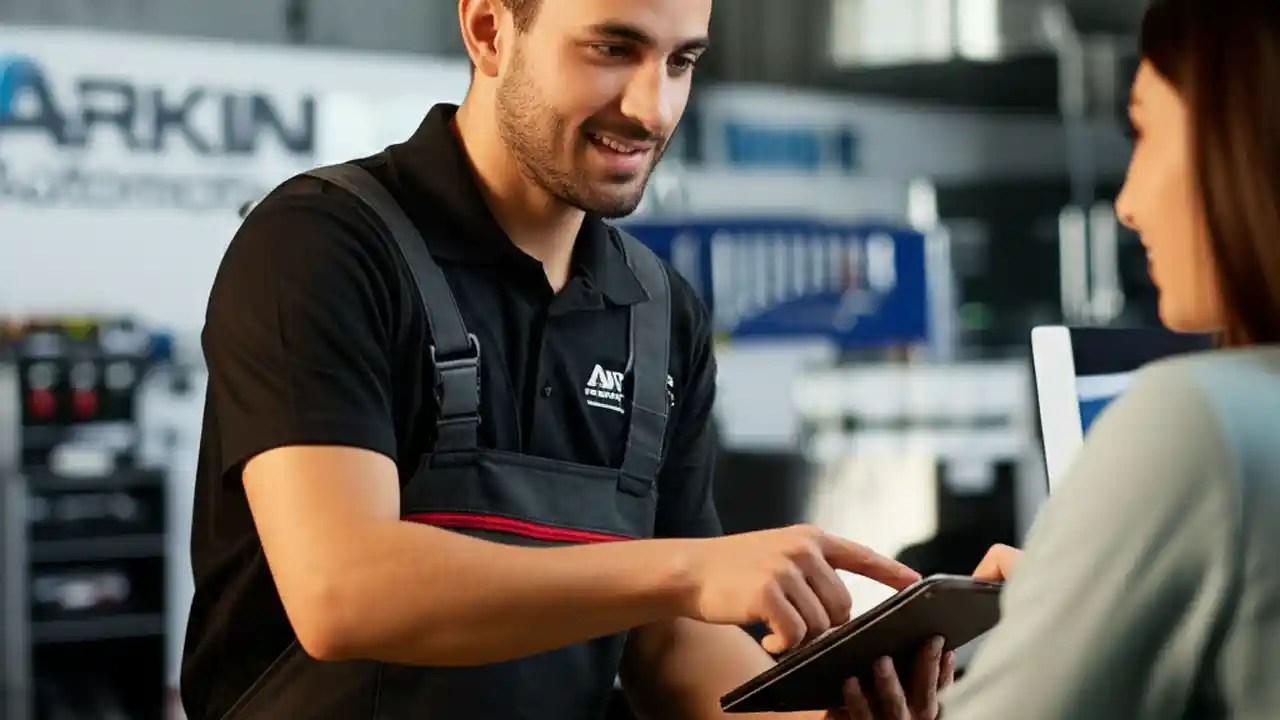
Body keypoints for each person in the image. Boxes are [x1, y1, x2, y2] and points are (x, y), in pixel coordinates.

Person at [179, 1, 953, 718]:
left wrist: (825, 713)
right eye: (612, 49)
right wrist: (687, 569)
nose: (653, 109)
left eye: (681, 62)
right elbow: (342, 591)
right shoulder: (322, 248)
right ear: (489, 29)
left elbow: (670, 643)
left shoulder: (661, 314)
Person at [848, 0, 1280, 717]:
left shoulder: (1201, 418)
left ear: (1244, 142)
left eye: (1145, 132)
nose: (1128, 204)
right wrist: (1085, 604)